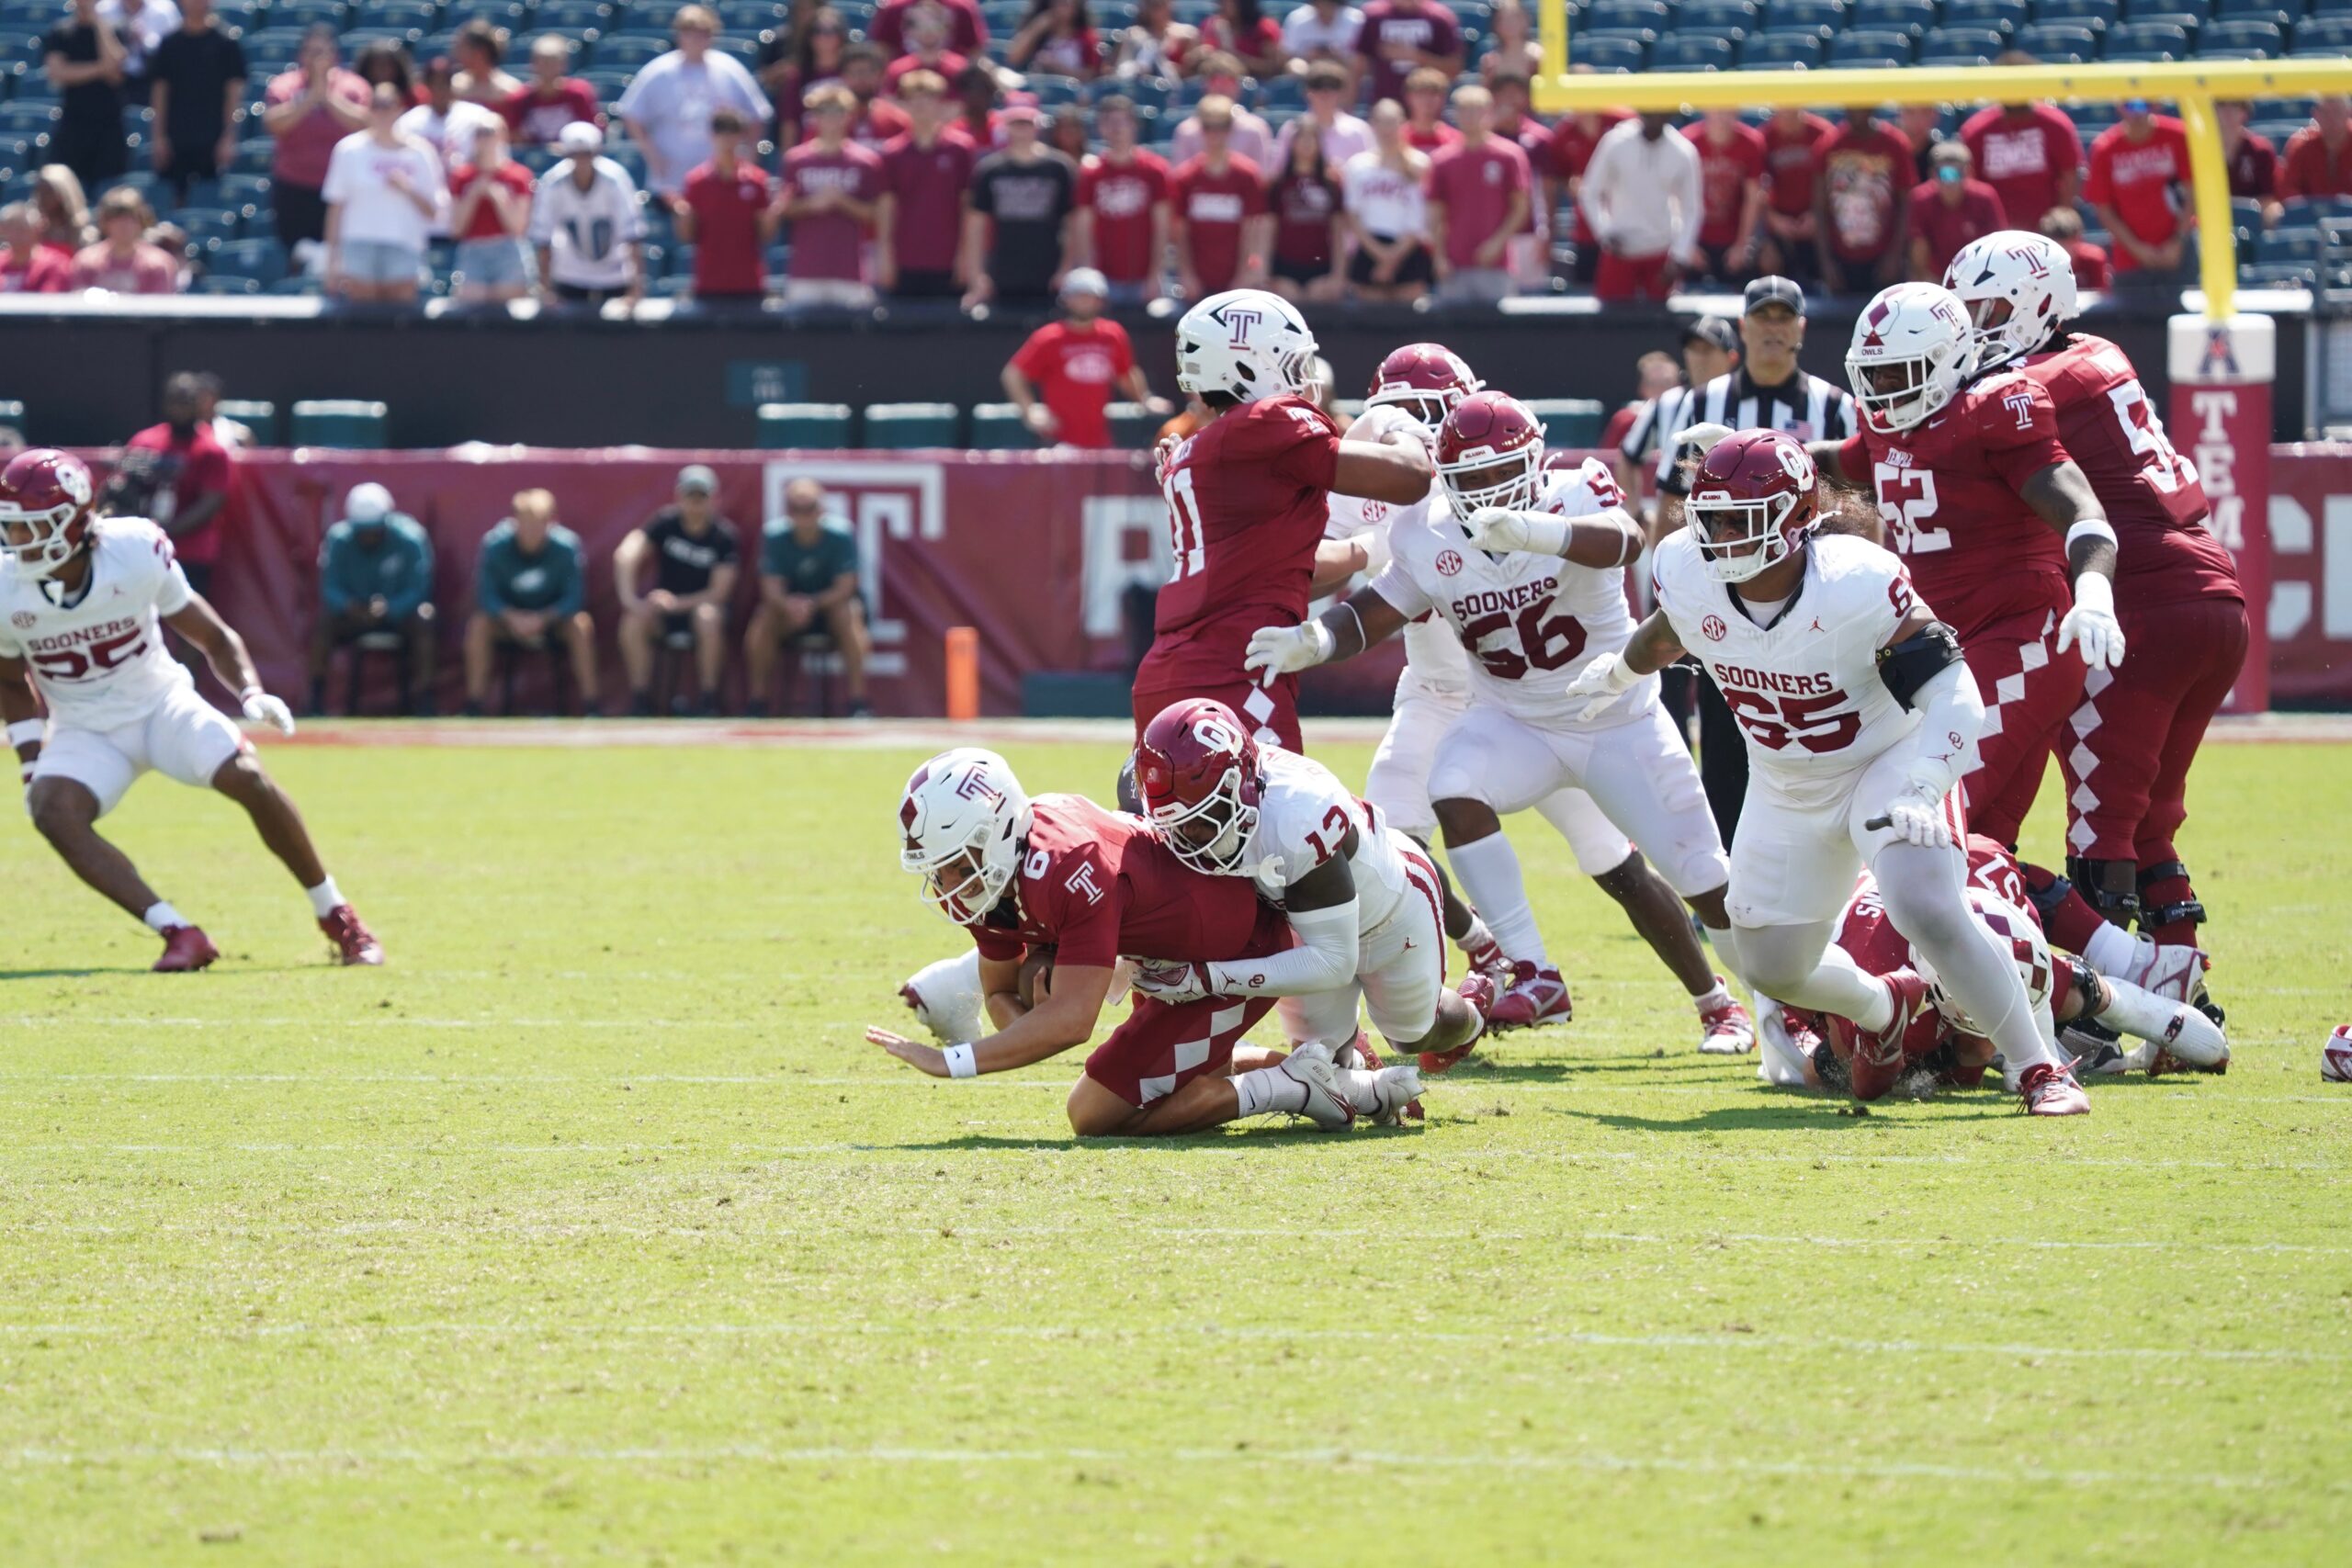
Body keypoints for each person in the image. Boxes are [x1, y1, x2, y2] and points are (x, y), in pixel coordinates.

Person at [1558, 429, 2090, 1113]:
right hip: (1785, 781)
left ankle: (2037, 1066)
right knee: (1770, 966)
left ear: (1795, 518)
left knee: (1924, 901)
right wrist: (1620, 669)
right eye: (1710, 517)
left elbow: (1954, 688)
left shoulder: (1856, 582)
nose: (1719, 534)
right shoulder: (1687, 567)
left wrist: (1927, 781)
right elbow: (1672, 628)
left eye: (1738, 519)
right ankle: (1884, 1010)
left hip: (1884, 760)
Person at [1250, 389, 1757, 1052]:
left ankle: (1777, 1004)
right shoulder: (1426, 528)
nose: (1489, 489)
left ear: (1536, 459)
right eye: (1472, 478)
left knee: (1703, 880)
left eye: (1501, 472)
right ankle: (1529, 966)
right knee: (1453, 782)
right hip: (1514, 720)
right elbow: (1380, 608)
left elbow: (1626, 541)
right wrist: (1314, 642)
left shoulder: (1576, 489)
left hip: (1613, 717)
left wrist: (1538, 533)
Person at [1945, 231, 2245, 986]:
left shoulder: (2034, 383)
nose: (1971, 326)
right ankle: (2178, 979)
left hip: (2131, 599)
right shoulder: (2096, 356)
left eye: (1985, 309)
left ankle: (2109, 1004)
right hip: (2211, 590)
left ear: (2039, 301)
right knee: (2151, 818)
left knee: (2103, 820)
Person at [0, 449, 384, 971]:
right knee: (52, 811)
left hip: (162, 707)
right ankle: (178, 931)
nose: (17, 542)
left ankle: (336, 913)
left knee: (248, 777)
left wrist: (250, 692)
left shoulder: (132, 551)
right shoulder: (5, 587)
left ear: (72, 521)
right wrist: (29, 760)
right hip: (84, 729)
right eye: (12, 528)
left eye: (30, 527)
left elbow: (211, 635)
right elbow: (9, 681)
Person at [871, 750, 1384, 1135]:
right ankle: (1335, 1080)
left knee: (1093, 1112)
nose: (949, 885)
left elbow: (1072, 1023)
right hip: (1166, 960)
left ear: (1000, 830)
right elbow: (1006, 994)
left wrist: (954, 1061)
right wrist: (1030, 1017)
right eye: (938, 871)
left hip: (1229, 953)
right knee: (1179, 1082)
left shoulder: (1069, 865)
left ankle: (1296, 1088)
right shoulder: (990, 878)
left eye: (959, 864)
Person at [1822, 280, 2123, 851]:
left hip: (2018, 635)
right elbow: (1839, 462)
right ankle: (2085, 944)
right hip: (1937, 650)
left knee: (1929, 819)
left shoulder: (1992, 409)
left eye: (1899, 373)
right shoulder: (1886, 425)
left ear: (1948, 359)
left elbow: (2081, 510)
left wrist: (2094, 590)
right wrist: (1752, 450)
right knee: (1973, 846)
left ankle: (2118, 948)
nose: (1883, 392)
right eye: (1875, 374)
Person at [1130, 288, 1432, 752]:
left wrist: (1371, 548)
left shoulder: (1200, 447)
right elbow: (1410, 478)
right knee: (1301, 821)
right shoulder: (1265, 423)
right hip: (1231, 673)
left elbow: (1290, 565)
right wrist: (1401, 424)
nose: (1302, 377)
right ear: (1247, 364)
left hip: (1173, 672)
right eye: (1290, 360)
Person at [1133, 697, 1484, 1085]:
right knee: (1320, 1061)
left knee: (1413, 1036)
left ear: (1239, 785)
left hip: (1390, 914)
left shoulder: (1297, 818)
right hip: (1300, 917)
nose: (1188, 838)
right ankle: (1357, 1064)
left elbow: (1334, 962)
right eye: (1176, 825)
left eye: (1200, 819)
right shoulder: (1181, 793)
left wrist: (1208, 978)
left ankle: (1474, 1010)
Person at [616, 466, 740, 716]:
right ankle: (641, 699)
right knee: (633, 622)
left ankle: (708, 698)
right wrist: (630, 599)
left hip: (699, 610)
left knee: (707, 617)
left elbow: (719, 592)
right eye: (689, 496)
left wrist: (677, 603)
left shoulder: (723, 536)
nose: (695, 504)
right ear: (678, 497)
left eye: (701, 497)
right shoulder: (665, 523)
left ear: (713, 499)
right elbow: (626, 554)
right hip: (664, 613)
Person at [462, 489, 596, 716]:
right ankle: (474, 704)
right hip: (507, 622)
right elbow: (486, 596)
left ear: (551, 522)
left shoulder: (566, 547)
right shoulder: (495, 546)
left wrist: (543, 618)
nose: (530, 532)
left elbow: (574, 598)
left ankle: (592, 705)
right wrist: (512, 617)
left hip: (553, 621)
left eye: (537, 525)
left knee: (580, 625)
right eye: (524, 524)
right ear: (513, 522)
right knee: (479, 626)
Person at [616, 6, 773, 200]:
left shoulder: (729, 69)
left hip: (720, 180)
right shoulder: (659, 71)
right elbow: (631, 114)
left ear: (713, 35)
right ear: (679, 35)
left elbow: (758, 116)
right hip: (671, 180)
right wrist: (651, 153)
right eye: (689, 32)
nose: (695, 39)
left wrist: (749, 158)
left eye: (703, 32)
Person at [745, 477, 871, 717]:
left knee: (848, 613)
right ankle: (757, 701)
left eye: (809, 508)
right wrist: (789, 605)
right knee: (764, 617)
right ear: (787, 511)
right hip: (788, 613)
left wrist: (812, 604)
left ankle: (858, 702)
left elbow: (846, 586)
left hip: (828, 611)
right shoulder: (774, 536)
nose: (804, 516)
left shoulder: (840, 535)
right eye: (796, 509)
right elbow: (771, 588)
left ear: (821, 508)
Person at [309, 481, 436, 717]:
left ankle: (425, 700)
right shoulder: (339, 540)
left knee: (424, 617)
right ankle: (315, 699)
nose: (368, 537)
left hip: (398, 616)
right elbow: (330, 588)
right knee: (324, 622)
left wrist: (391, 608)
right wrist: (349, 606)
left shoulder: (410, 538)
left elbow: (419, 588)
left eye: (374, 530)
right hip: (353, 616)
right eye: (362, 531)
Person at [1001, 268, 1164, 446]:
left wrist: (1145, 399)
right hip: (1058, 442)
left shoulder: (1113, 335)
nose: (1083, 302)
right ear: (1065, 299)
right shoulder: (1049, 338)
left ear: (1100, 300)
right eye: (1077, 296)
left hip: (1100, 442)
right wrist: (1030, 411)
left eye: (1089, 296)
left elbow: (1126, 373)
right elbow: (1013, 374)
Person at [322, 83, 447, 305]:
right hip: (359, 243)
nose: (383, 112)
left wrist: (407, 189)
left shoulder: (420, 152)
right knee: (362, 318)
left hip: (404, 244)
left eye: (388, 106)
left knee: (401, 319)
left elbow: (434, 211)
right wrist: (332, 260)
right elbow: (336, 207)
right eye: (377, 106)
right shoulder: (349, 150)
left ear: (399, 109)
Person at [119, 371, 233, 604]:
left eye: (187, 401)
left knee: (192, 614)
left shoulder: (212, 450)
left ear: (198, 404)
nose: (181, 408)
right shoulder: (144, 442)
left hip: (191, 550)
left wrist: (166, 531)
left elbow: (212, 502)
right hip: (144, 547)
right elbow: (123, 487)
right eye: (176, 401)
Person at [263, 27, 372, 258]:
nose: (316, 58)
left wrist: (328, 98)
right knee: (293, 254)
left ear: (335, 56)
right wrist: (311, 97)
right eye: (311, 52)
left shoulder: (354, 87)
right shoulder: (284, 86)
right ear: (301, 56)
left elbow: (364, 124)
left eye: (322, 52)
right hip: (294, 187)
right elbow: (274, 124)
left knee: (337, 255)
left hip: (340, 190)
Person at [961, 103, 1078, 309]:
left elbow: (1071, 223)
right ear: (1005, 128)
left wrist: (1065, 269)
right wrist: (977, 275)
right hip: (1002, 272)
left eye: (1027, 124)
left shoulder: (1059, 168)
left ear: (1037, 127)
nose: (1022, 131)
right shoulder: (989, 170)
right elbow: (975, 226)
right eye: (1016, 125)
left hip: (1048, 272)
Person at [777, 84, 884, 307]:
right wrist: (812, 204)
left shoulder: (865, 161)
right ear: (814, 118)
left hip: (850, 270)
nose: (832, 120)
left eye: (839, 113)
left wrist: (841, 201)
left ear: (849, 116)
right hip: (806, 270)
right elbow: (783, 209)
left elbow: (876, 214)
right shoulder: (796, 160)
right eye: (824, 113)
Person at [1578, 112, 1701, 304]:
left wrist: (1679, 256)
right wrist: (1605, 233)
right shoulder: (1615, 143)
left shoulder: (1683, 150)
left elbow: (1692, 208)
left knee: (1661, 327)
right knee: (1610, 324)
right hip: (1620, 250)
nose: (1654, 116)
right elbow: (1590, 192)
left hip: (1661, 252)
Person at [1426, 84, 1529, 306]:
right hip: (1455, 265)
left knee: (1499, 334)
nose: (1470, 116)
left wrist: (1498, 243)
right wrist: (1439, 257)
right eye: (1464, 109)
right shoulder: (1443, 160)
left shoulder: (1509, 155)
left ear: (1489, 113)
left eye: (1476, 109)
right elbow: (1435, 214)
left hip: (1496, 264)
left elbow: (1520, 207)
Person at [876, 70, 976, 299]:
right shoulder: (892, 152)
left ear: (940, 103)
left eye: (929, 98)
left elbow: (967, 205)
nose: (922, 105)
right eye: (914, 99)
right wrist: (885, 255)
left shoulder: (960, 149)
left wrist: (965, 254)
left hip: (948, 257)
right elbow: (887, 207)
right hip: (905, 257)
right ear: (905, 105)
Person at [530, 120, 647, 309]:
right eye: (575, 154)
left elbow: (632, 233)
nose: (581, 161)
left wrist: (636, 288)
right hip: (570, 275)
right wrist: (546, 288)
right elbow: (543, 237)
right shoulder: (553, 184)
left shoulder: (615, 180)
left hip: (614, 274)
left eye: (587, 154)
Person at [675, 105, 780, 303]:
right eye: (721, 131)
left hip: (748, 282)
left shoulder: (757, 180)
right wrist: (682, 214)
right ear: (712, 135)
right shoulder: (696, 181)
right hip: (708, 282)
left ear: (740, 136)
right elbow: (687, 236)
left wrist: (773, 215)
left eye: (732, 131)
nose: (726, 139)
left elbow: (766, 236)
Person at [1958, 77, 2083, 241]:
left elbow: (2070, 174)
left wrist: (2060, 226)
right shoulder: (1977, 130)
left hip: (2047, 233)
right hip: (1994, 236)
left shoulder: (2055, 124)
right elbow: (1970, 183)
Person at [1074, 94, 1170, 305]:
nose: (1117, 129)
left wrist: (1156, 274)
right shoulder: (1091, 173)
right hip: (1104, 277)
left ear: (1134, 125)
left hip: (1145, 276)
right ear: (1100, 128)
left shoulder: (1154, 170)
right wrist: (1090, 274)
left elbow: (1162, 226)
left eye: (1122, 121)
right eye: (1109, 122)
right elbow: (1083, 226)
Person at [2084, 99, 2190, 286]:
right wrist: (2138, 249)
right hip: (2130, 260)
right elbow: (2103, 208)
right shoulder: (2105, 148)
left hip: (2181, 251)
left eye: (2146, 104)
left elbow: (2194, 193)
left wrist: (2178, 241)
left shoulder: (2178, 135)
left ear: (2156, 105)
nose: (2138, 113)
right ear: (2119, 107)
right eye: (2131, 105)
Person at [1170, 96, 1268, 298]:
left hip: (1236, 278)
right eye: (1208, 127)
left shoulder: (1247, 175)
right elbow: (1181, 231)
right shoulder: (1186, 177)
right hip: (1197, 280)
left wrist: (1244, 274)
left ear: (1230, 130)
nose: (1215, 134)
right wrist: (1187, 274)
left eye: (1221, 127)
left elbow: (1252, 228)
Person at [146, 0, 244, 200]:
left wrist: (228, 137)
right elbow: (159, 92)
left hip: (212, 137)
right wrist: (158, 137)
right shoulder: (169, 43)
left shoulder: (226, 43)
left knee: (210, 199)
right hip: (176, 137)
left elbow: (234, 95)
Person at [1341, 98, 1432, 303]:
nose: (1387, 129)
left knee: (1408, 319)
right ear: (1373, 124)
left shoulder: (1419, 164)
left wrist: (1393, 258)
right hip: (1369, 247)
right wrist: (1379, 254)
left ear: (1403, 123)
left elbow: (1419, 217)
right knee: (1370, 320)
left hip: (1408, 248)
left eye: (1392, 122)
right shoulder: (1357, 165)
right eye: (1381, 122)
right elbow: (1353, 214)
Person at [1815, 104, 1911, 296]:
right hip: (1841, 256)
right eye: (1851, 107)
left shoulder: (1895, 144)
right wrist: (1826, 262)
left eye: (1860, 107)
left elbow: (1906, 203)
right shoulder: (1829, 144)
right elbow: (1819, 208)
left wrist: (1894, 255)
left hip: (1882, 256)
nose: (1854, 113)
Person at [448, 118, 537, 304]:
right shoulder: (462, 176)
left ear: (502, 136)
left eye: (490, 133)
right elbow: (456, 229)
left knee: (510, 308)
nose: (485, 139)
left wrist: (498, 198)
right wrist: (473, 195)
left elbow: (518, 228)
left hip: (507, 247)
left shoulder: (519, 175)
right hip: (473, 248)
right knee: (471, 303)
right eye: (479, 134)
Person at [45, 0, 129, 193]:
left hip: (108, 127)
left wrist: (99, 24)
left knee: (110, 190)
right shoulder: (61, 31)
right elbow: (57, 72)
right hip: (73, 125)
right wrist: (101, 68)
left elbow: (116, 70)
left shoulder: (114, 29)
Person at [1906, 141, 2006, 282]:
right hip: (1935, 278)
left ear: (1968, 172)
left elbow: (1996, 245)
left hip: (1978, 277)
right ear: (1932, 174)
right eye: (1945, 174)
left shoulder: (1985, 197)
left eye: (1957, 173)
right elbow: (1919, 248)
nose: (1950, 182)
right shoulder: (1920, 199)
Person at [1266, 124, 1344, 302]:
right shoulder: (1278, 185)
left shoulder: (1331, 185)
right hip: (1284, 266)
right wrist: (1265, 271)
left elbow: (1338, 232)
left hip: (1321, 265)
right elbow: (1268, 228)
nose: (1306, 143)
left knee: (1318, 298)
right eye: (1301, 138)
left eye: (1312, 138)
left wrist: (1339, 275)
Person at [1756, 106, 1833, 285]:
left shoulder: (1824, 134)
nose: (1787, 113)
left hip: (1817, 218)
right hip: (1778, 221)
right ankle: (1773, 302)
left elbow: (1836, 183)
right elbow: (1755, 188)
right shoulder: (1763, 138)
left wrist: (1817, 216)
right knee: (1768, 256)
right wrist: (1773, 219)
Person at [1690, 107, 1765, 288]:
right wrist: (1687, 244)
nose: (1721, 116)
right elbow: (1675, 197)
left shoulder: (1751, 143)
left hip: (1733, 236)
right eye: (1717, 108)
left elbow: (1753, 198)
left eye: (1727, 109)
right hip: (1696, 236)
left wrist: (1741, 245)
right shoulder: (1688, 141)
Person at [398, 55, 504, 173]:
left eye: (445, 82)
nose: (440, 88)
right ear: (427, 85)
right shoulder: (409, 122)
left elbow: (498, 160)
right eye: (434, 83)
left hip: (466, 187)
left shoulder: (477, 116)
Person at [1351, 0, 1462, 111]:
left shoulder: (1439, 17)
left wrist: (1416, 56)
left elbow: (1454, 69)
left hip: (1428, 109)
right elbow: (1358, 67)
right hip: (1385, 107)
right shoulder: (1375, 16)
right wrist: (1349, 104)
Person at [69, 186, 180, 293]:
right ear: (104, 223)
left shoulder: (158, 264)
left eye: (131, 218)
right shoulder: (86, 261)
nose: (124, 225)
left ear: (141, 222)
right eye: (117, 218)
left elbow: (158, 307)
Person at [1170, 54, 1272, 168]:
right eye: (1215, 80)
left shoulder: (1255, 129)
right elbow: (1179, 175)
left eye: (1229, 81)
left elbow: (1262, 176)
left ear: (1238, 87)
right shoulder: (1187, 130)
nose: (1221, 87)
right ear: (1205, 86)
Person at [503, 34, 603, 148]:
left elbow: (592, 132)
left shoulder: (578, 94)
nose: (547, 67)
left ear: (564, 64)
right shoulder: (520, 99)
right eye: (543, 61)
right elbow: (512, 136)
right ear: (533, 64)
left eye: (553, 62)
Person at [1273, 61, 1372, 170]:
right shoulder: (1292, 129)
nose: (1325, 94)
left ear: (1341, 93)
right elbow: (1278, 171)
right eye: (1318, 87)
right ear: (1307, 92)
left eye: (1333, 87)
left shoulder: (1358, 130)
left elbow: (1370, 170)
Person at [98, 0, 177, 107]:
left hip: (151, 83)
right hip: (112, 84)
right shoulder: (103, 10)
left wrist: (144, 40)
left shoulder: (163, 10)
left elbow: (173, 56)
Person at [2217, 100, 2280, 230]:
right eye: (2222, 104)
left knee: (2275, 213)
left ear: (2245, 112)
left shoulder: (2260, 150)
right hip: (2211, 220)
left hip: (2251, 225)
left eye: (2235, 105)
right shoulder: (2199, 150)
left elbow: (2269, 198)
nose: (2228, 112)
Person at [2279, 95, 2352, 205]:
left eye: (2337, 112)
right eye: (2326, 113)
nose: (2331, 119)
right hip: (2310, 216)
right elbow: (2288, 190)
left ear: (2349, 113)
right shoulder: (2301, 144)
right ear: (2315, 114)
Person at [1007, 0, 1102, 80]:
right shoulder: (1039, 30)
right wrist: (1036, 27)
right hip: (1038, 88)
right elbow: (1013, 58)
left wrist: (1056, 67)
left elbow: (1090, 76)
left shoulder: (1087, 36)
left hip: (1075, 95)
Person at [1111, 0, 1198, 80]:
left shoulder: (1187, 34)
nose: (1157, 8)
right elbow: (1115, 69)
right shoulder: (1133, 34)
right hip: (1137, 86)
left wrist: (1171, 68)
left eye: (1161, 4)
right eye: (1152, 4)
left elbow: (1194, 75)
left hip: (1173, 87)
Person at [0, 202, 73, 293]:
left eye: (21, 229)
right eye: (9, 228)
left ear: (36, 230)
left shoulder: (55, 264)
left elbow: (47, 302)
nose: (15, 234)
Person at [450, 19, 523, 109]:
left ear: (480, 53)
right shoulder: (454, 86)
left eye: (462, 49)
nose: (457, 54)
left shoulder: (510, 89)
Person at [2041, 206, 2109, 293]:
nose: (2062, 250)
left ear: (2078, 238)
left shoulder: (2094, 258)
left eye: (2067, 244)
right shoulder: (2038, 262)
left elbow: (2100, 296)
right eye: (2058, 244)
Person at [1282, 0, 1362, 71]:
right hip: (1308, 72)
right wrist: (1310, 56)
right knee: (1295, 65)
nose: (1324, 8)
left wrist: (1337, 55)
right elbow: (1288, 57)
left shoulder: (1356, 20)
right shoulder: (1297, 19)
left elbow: (1362, 59)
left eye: (1329, 4)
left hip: (1345, 71)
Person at [1399, 66, 1458, 154]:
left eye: (1433, 93)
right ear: (1409, 97)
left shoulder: (1456, 140)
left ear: (1443, 98)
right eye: (1421, 93)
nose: (1427, 99)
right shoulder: (1398, 138)